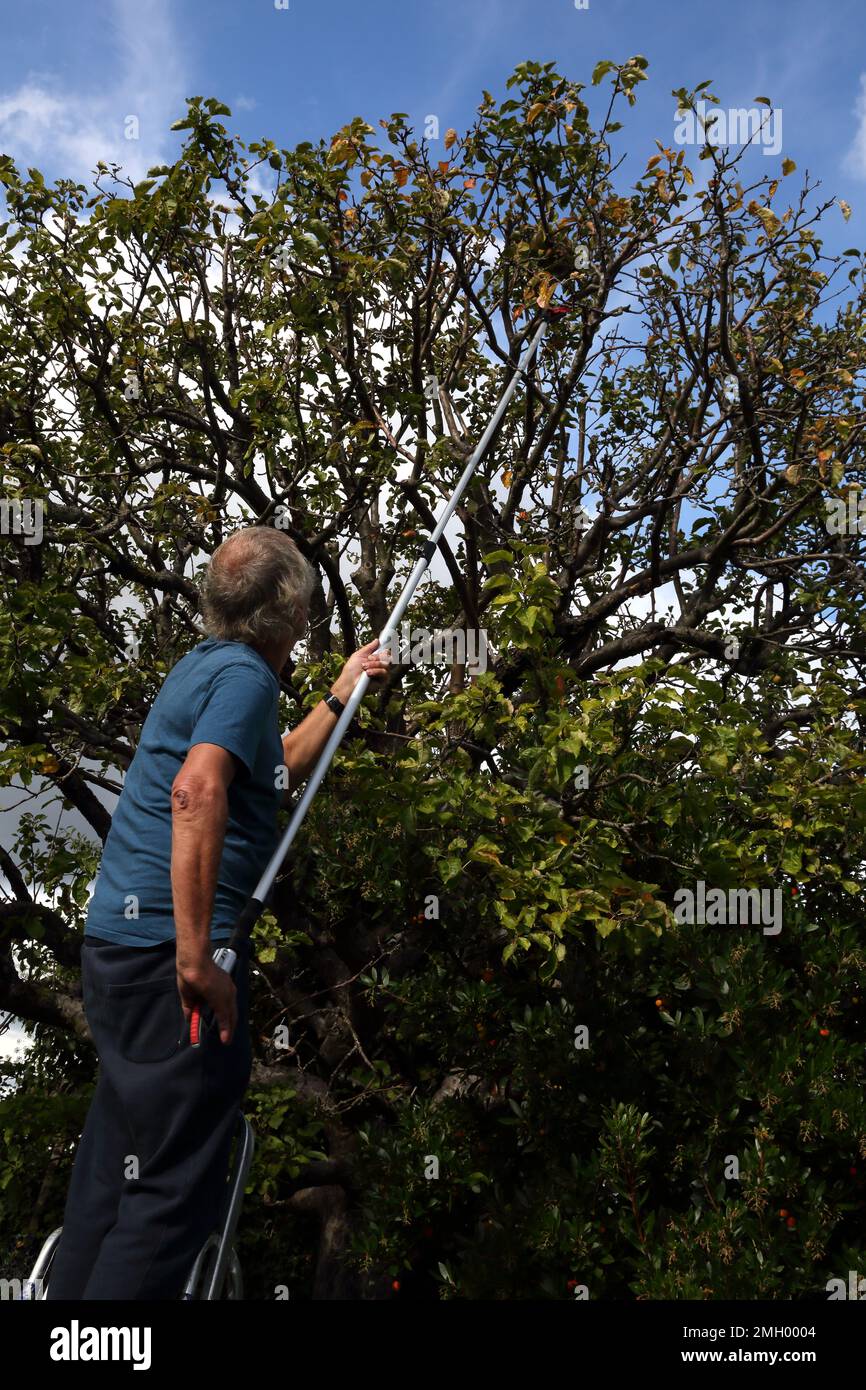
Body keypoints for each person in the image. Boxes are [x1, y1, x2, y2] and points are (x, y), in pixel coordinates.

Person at [46, 525, 388, 1299]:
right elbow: (196, 791)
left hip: (120, 949)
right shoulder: (245, 681)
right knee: (173, 1191)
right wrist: (198, 960)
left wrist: (343, 688)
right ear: (291, 611)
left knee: (116, 1166)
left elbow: (275, 768)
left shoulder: (207, 667)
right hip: (173, 959)